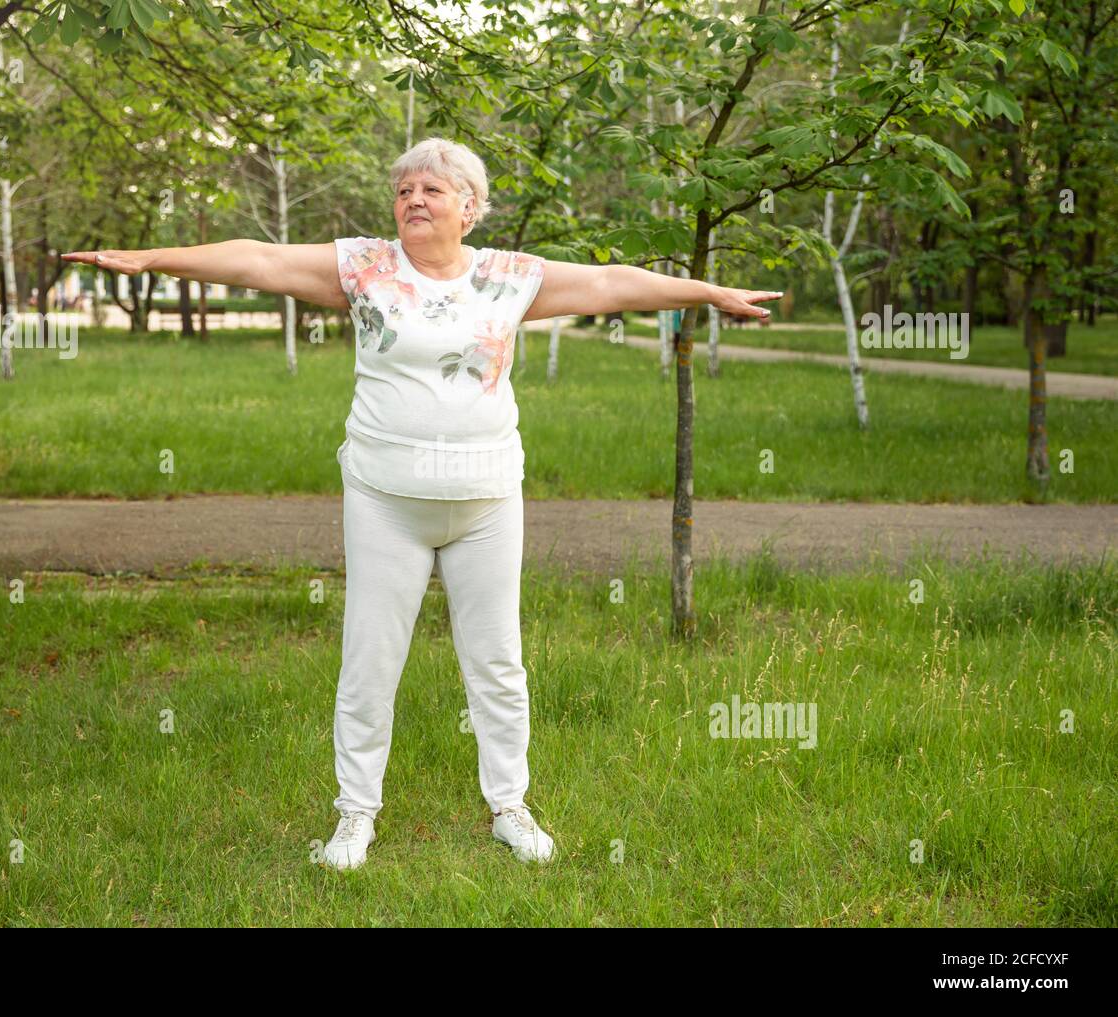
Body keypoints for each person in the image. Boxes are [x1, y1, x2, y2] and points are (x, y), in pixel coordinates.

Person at [60, 137, 780, 872]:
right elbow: (261, 259)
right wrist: (152, 259)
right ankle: (354, 816)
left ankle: (510, 807)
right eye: (404, 189)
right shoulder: (364, 265)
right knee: (370, 660)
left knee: (498, 661)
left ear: (469, 206)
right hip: (385, 500)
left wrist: (707, 293)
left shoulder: (510, 277)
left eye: (432, 189)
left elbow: (610, 283)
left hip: (487, 501)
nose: (413, 200)